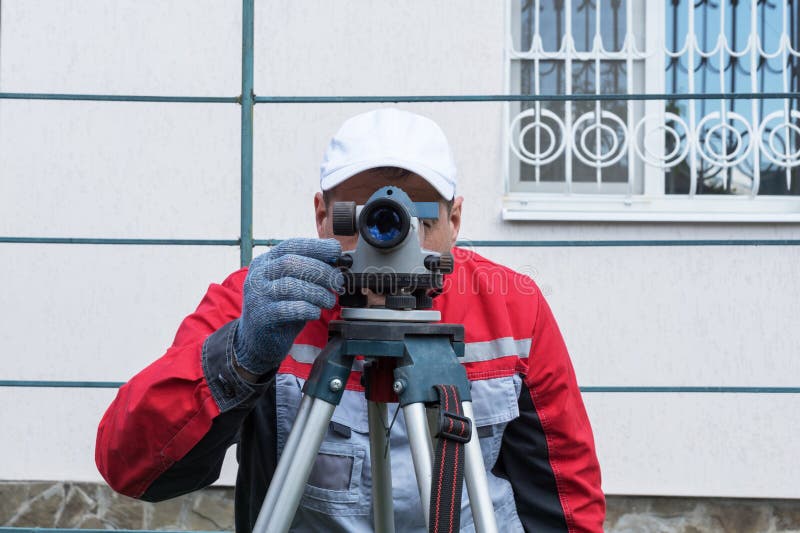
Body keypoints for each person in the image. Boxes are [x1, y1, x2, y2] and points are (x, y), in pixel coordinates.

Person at [95, 108, 605, 532]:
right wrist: (239, 359)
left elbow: (564, 497)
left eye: (418, 221)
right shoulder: (266, 302)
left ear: (455, 222)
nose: (389, 239)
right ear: (322, 215)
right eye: (365, 219)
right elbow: (130, 464)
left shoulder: (511, 308)